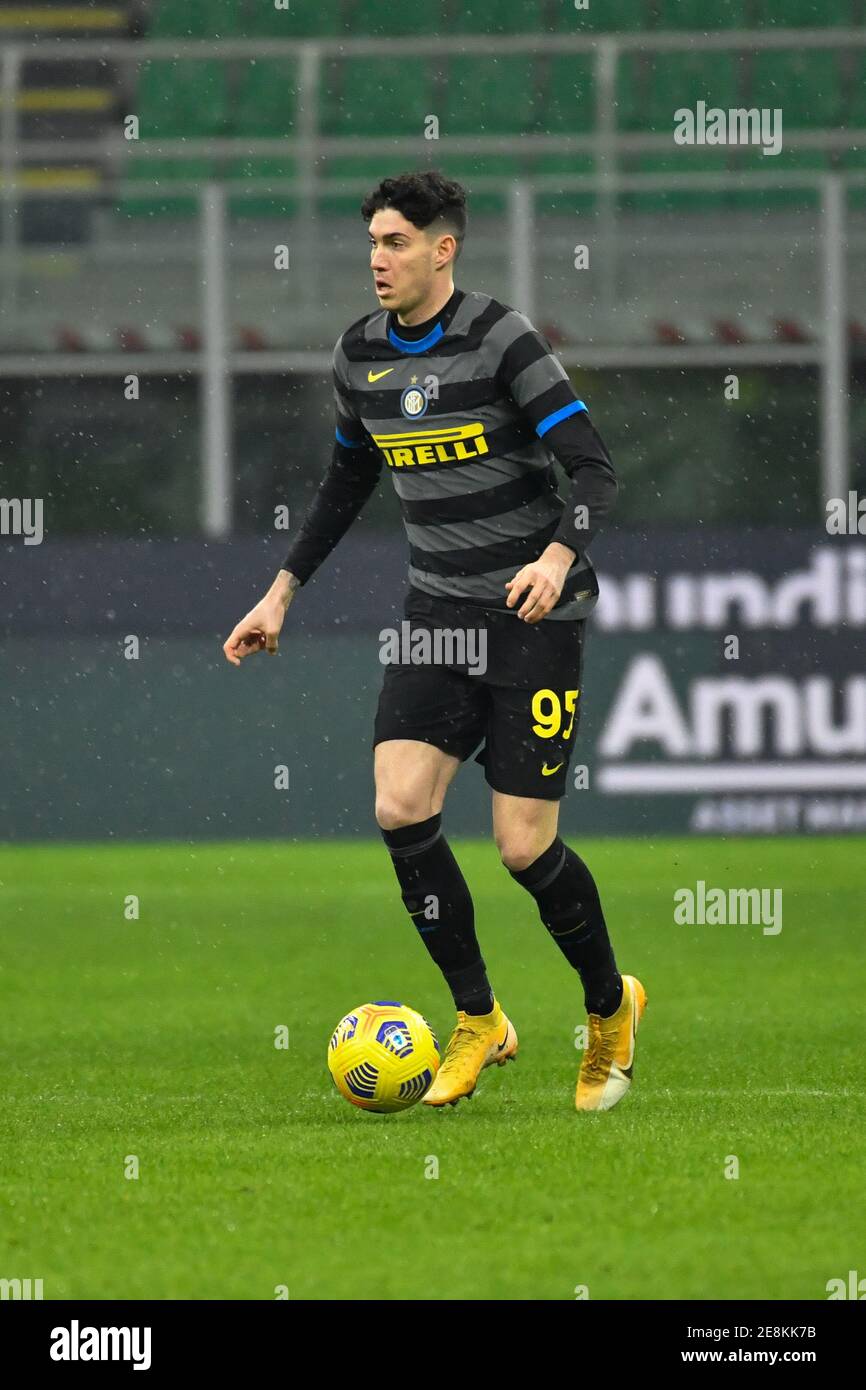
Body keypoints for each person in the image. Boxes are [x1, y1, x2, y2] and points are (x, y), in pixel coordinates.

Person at [223, 169, 646, 1112]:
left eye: (397, 243)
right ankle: (479, 1020)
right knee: (399, 804)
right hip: (438, 618)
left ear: (443, 248)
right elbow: (345, 485)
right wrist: (281, 592)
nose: (378, 260)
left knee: (522, 850)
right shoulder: (360, 355)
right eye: (372, 242)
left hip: (537, 615)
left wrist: (555, 555)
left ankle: (610, 1009)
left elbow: (593, 468)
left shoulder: (502, 339)